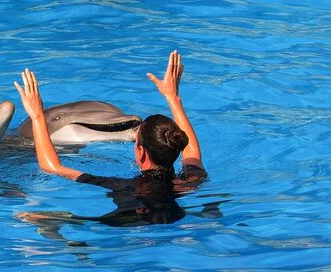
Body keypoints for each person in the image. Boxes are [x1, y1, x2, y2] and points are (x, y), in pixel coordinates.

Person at [13, 50, 209, 227]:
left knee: (44, 217)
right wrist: (173, 98)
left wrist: (37, 115)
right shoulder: (191, 180)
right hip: (178, 219)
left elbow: (53, 167)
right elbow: (191, 151)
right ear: (176, 145)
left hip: (125, 223)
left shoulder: (125, 187)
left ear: (140, 153)